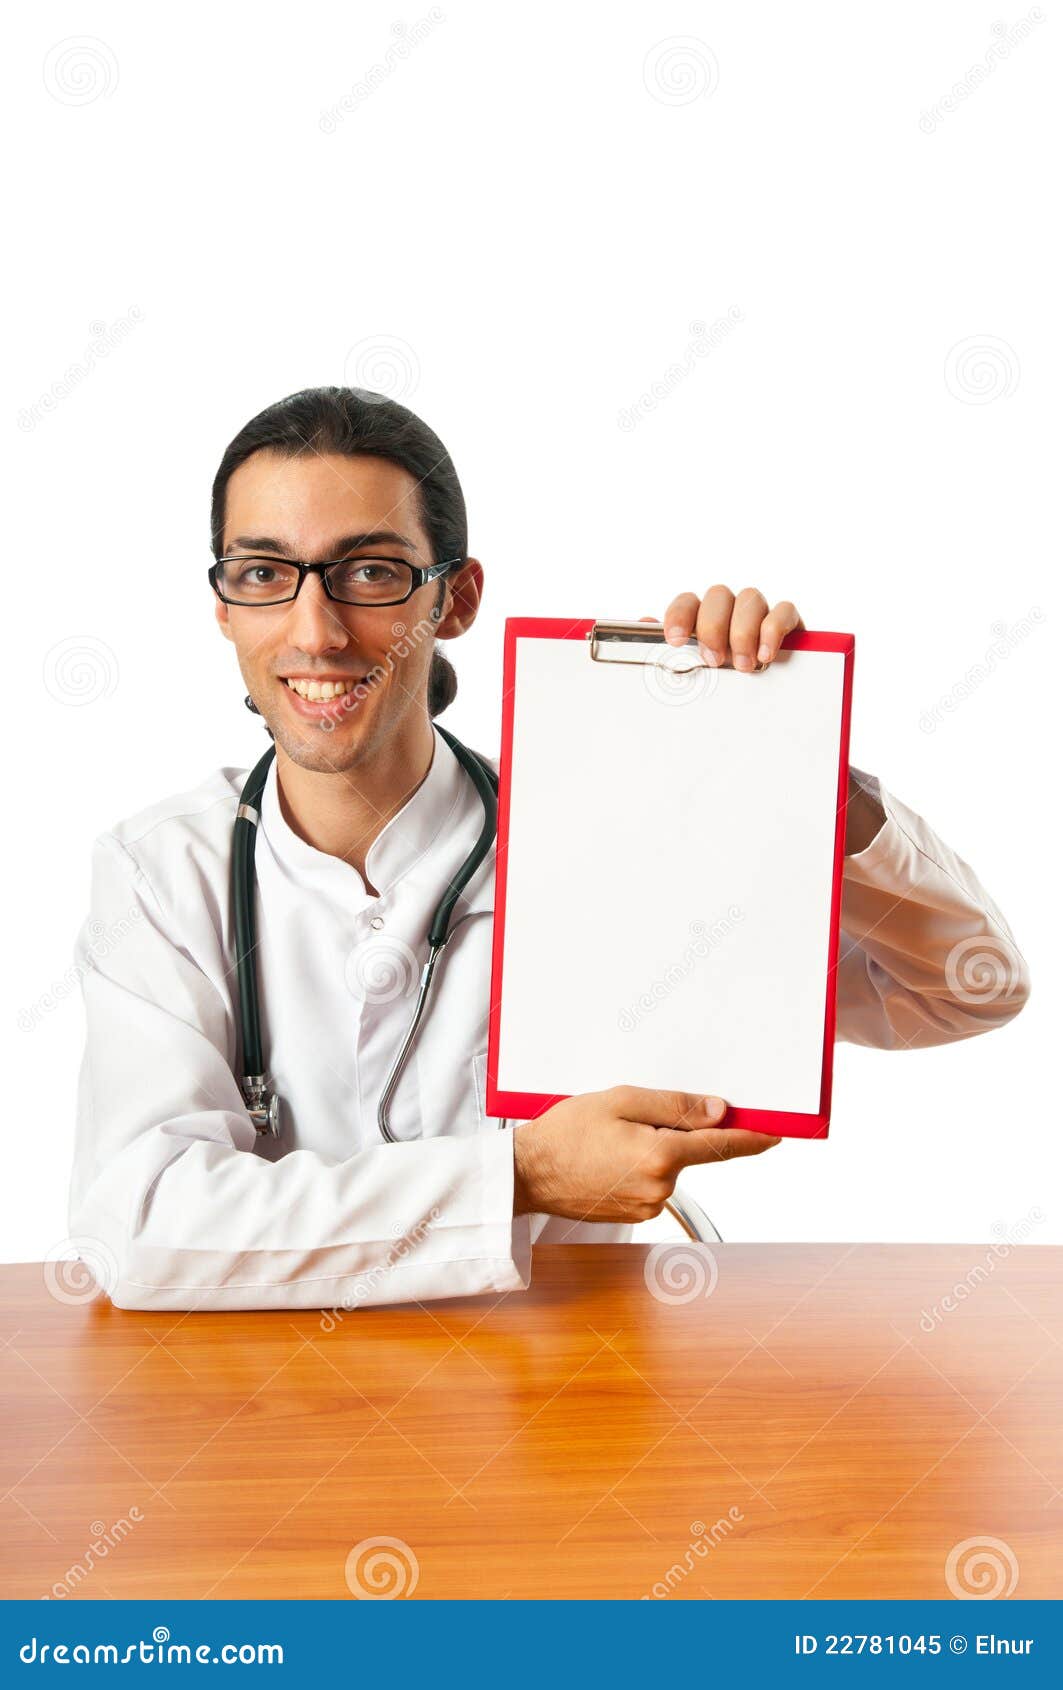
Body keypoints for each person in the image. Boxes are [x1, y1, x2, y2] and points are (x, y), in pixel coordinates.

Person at [68, 387, 1030, 1311]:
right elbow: (139, 1229)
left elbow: (963, 989)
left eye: (371, 573)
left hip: (568, 1391)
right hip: (260, 1401)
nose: (315, 632)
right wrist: (520, 1177)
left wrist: (788, 761)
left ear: (455, 600)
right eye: (263, 574)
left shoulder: (615, 836)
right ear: (224, 605)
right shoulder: (162, 873)